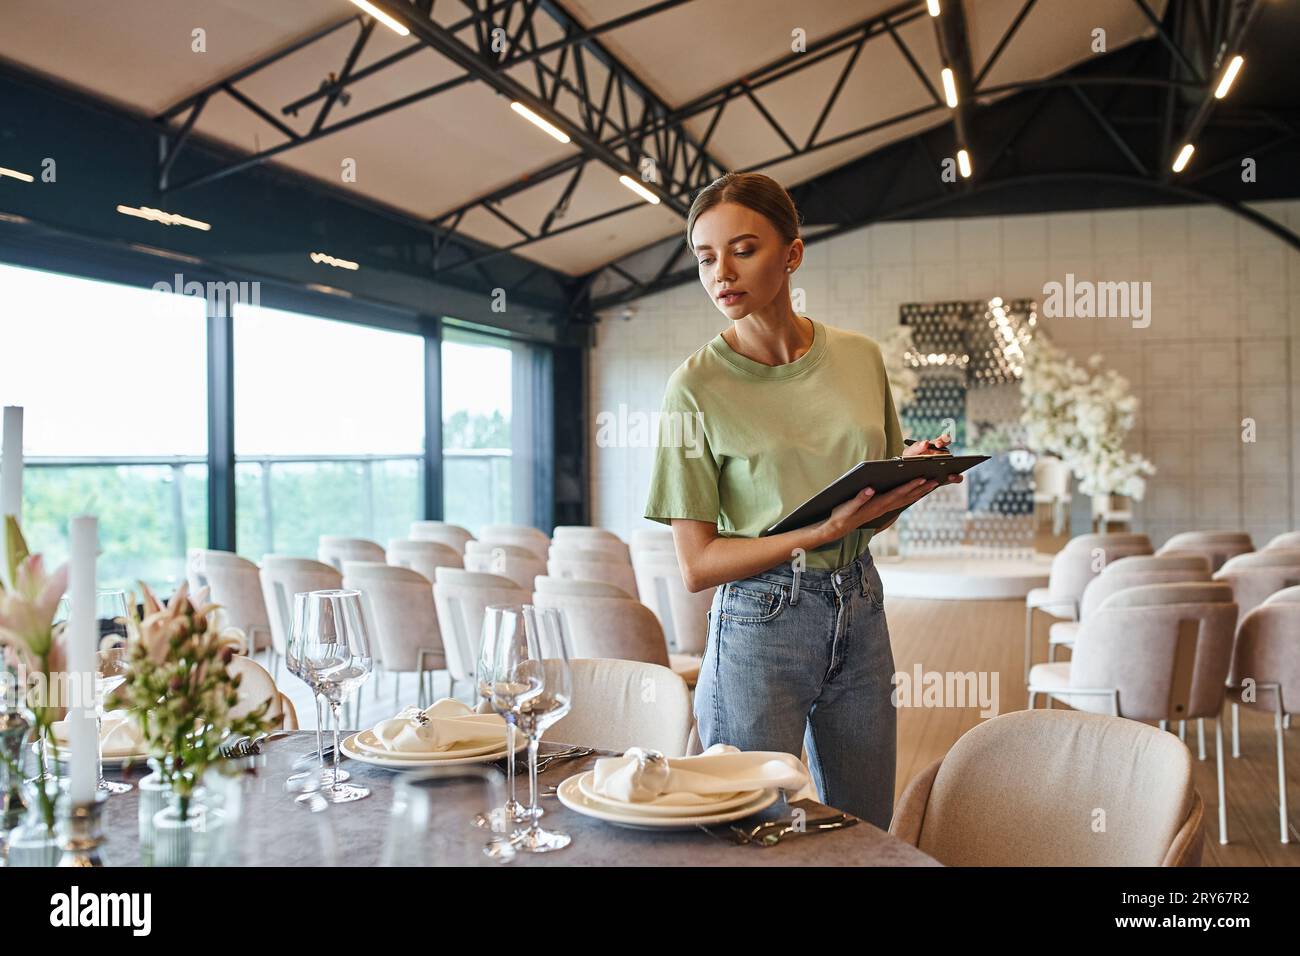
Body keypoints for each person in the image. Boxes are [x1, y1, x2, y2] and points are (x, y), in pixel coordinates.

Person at [643, 171, 961, 828]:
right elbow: (697, 566)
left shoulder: (861, 359)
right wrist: (817, 533)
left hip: (861, 604)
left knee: (861, 822)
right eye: (705, 257)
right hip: (761, 620)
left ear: (793, 254)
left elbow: (867, 514)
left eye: (744, 249)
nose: (721, 273)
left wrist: (911, 481)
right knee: (750, 828)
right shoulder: (693, 388)